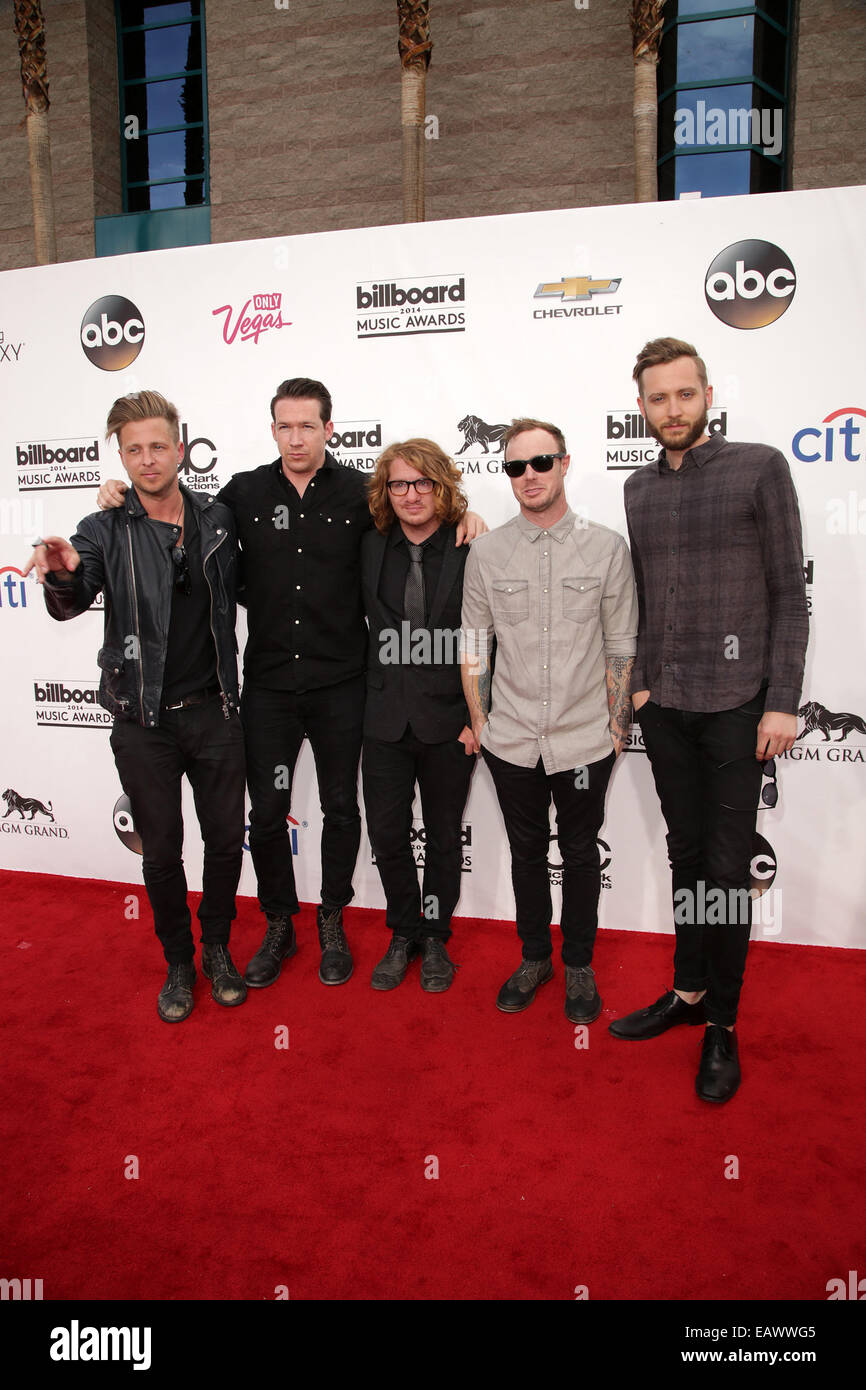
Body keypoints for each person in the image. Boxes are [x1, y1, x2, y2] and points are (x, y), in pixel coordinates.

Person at [97, 379, 486, 990]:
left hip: (344, 685)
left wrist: (469, 515)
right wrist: (119, 497)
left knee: (339, 807)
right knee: (270, 811)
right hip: (270, 687)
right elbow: (175, 510)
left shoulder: (364, 492)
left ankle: (332, 918)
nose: (297, 437)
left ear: (330, 430)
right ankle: (280, 921)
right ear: (272, 429)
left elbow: (423, 516)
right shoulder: (242, 494)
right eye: (286, 426)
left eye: (309, 426)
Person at [610, 337, 808, 1103]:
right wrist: (640, 686)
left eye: (683, 395)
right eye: (658, 399)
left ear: (707, 394)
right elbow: (648, 598)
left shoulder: (759, 468)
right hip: (667, 708)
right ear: (642, 408)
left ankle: (723, 1024)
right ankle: (688, 994)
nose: (672, 410)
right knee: (687, 856)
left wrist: (784, 698)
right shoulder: (637, 489)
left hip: (738, 706)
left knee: (727, 874)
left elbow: (789, 592)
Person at [25, 391, 246, 1023]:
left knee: (228, 839)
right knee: (161, 849)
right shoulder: (103, 528)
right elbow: (73, 594)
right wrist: (64, 573)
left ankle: (218, 949)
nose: (147, 460)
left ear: (180, 448)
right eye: (133, 449)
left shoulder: (219, 520)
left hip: (215, 711)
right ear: (119, 456)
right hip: (143, 719)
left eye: (158, 446)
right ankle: (179, 961)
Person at [460, 418, 637, 1021]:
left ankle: (580, 963)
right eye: (515, 467)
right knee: (526, 851)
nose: (528, 476)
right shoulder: (486, 551)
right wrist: (481, 722)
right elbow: (474, 645)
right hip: (508, 739)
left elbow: (622, 646)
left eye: (540, 463)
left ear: (565, 464)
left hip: (586, 737)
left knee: (582, 852)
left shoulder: (607, 546)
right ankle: (535, 956)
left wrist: (616, 728)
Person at [362, 439, 476, 992]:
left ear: (442, 486)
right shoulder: (368, 545)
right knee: (386, 833)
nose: (411, 494)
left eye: (424, 482)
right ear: (387, 491)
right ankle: (403, 931)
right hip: (382, 717)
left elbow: (486, 642)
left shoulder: (469, 547)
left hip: (449, 722)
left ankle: (435, 936)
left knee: (444, 836)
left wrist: (478, 716)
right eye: (399, 484)